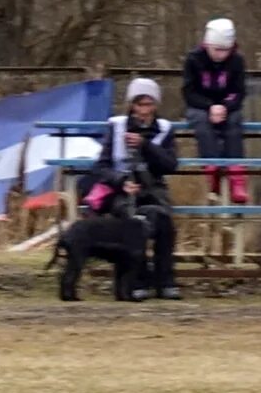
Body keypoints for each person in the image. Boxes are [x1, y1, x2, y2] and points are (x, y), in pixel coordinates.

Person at [87, 77, 182, 301]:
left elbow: (170, 165)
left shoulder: (164, 130)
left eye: (148, 104)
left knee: (164, 223)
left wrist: (145, 145)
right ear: (132, 105)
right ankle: (136, 280)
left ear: (155, 105)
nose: (143, 110)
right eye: (139, 104)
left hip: (152, 190)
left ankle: (164, 281)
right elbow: (101, 167)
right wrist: (121, 182)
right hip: (121, 190)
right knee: (130, 223)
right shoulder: (117, 126)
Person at [182, 19, 248, 206]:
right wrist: (209, 106)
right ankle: (213, 175)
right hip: (200, 106)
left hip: (228, 106)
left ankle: (237, 179)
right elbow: (189, 91)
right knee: (202, 124)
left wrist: (225, 107)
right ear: (207, 45)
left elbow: (239, 91)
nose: (220, 55)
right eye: (216, 50)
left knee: (235, 123)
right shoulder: (193, 59)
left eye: (225, 50)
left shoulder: (237, 61)